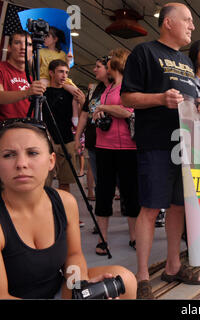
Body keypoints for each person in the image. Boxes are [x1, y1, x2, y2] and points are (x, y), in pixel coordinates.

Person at [120, 3, 200, 299]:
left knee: (178, 207)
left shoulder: (185, 63)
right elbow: (127, 98)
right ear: (169, 22)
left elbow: (195, 98)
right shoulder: (144, 53)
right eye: (187, 20)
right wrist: (160, 98)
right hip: (157, 143)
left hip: (184, 145)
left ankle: (173, 265)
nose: (192, 26)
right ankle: (143, 276)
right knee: (150, 208)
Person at [0, 121, 137, 299]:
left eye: (32, 153)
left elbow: (73, 255)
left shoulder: (64, 202)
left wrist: (81, 288)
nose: (21, 163)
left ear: (51, 161)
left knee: (123, 280)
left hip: (56, 290)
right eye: (9, 155)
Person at [90, 48, 139, 255]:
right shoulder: (106, 89)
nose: (105, 63)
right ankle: (102, 239)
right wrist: (97, 114)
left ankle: (135, 237)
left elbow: (126, 111)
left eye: (108, 60)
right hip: (104, 147)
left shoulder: (129, 88)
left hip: (128, 147)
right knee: (103, 193)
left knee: (131, 193)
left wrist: (103, 109)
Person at [43, 59, 85, 193]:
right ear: (51, 73)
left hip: (67, 141)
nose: (64, 75)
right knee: (45, 183)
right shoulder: (44, 93)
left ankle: (63, 210)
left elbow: (78, 118)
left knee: (65, 183)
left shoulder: (71, 94)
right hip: (48, 141)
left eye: (66, 72)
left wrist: (82, 102)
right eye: (61, 72)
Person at [74, 56, 112, 201]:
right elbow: (84, 115)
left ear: (108, 69)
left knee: (112, 179)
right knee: (99, 179)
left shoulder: (118, 87)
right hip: (93, 140)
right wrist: (78, 137)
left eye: (98, 67)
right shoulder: (95, 89)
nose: (94, 69)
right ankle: (102, 213)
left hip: (111, 141)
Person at [39, 26, 81, 128]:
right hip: (45, 77)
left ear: (55, 39)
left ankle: (75, 115)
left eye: (47, 36)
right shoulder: (40, 51)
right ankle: (39, 115)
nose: (44, 38)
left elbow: (66, 70)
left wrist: (68, 60)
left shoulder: (62, 54)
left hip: (61, 79)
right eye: (44, 36)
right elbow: (36, 68)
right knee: (39, 92)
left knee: (77, 92)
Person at [0, 31, 46, 120]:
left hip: (28, 128)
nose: (23, 47)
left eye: (28, 44)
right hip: (5, 129)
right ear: (9, 47)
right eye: (17, 43)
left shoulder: (32, 78)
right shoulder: (2, 69)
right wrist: (26, 93)